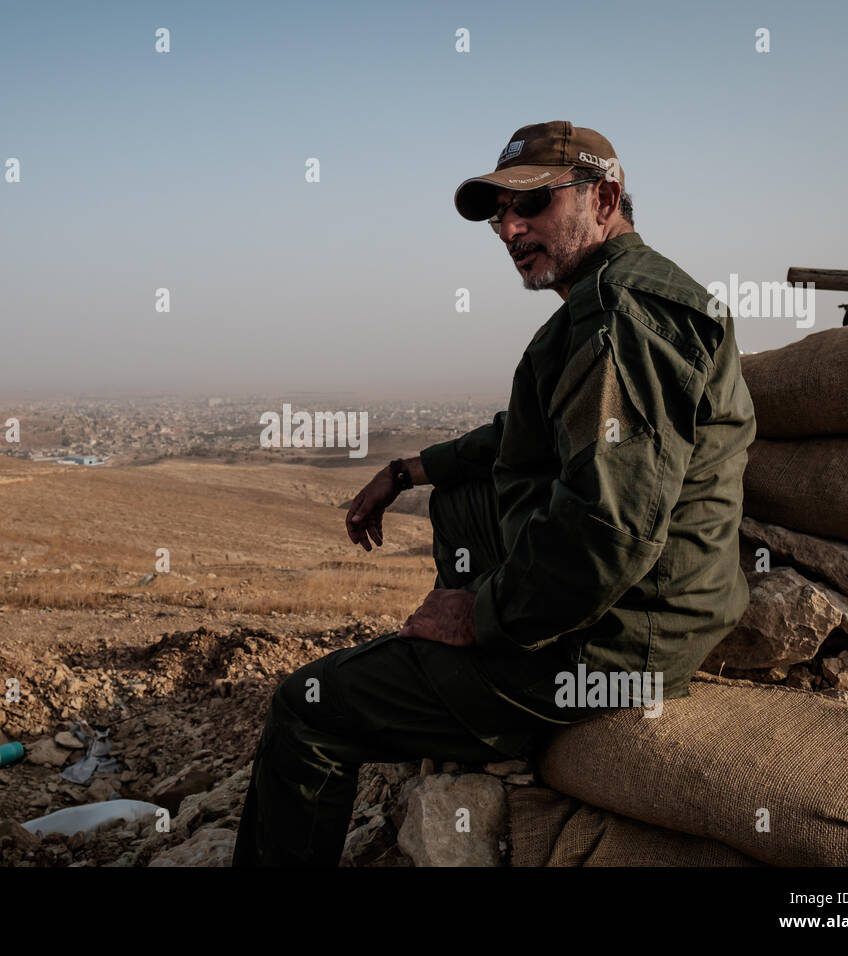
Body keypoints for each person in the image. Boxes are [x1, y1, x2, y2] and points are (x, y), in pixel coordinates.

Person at [231, 121, 756, 867]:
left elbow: (605, 534)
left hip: (615, 644)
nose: (509, 228)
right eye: (496, 213)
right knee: (460, 498)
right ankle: (469, 687)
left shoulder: (620, 324)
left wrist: (478, 615)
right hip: (633, 606)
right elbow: (528, 433)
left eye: (533, 204)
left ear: (604, 197)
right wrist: (413, 469)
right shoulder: (603, 301)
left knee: (306, 709)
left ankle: (492, 699)